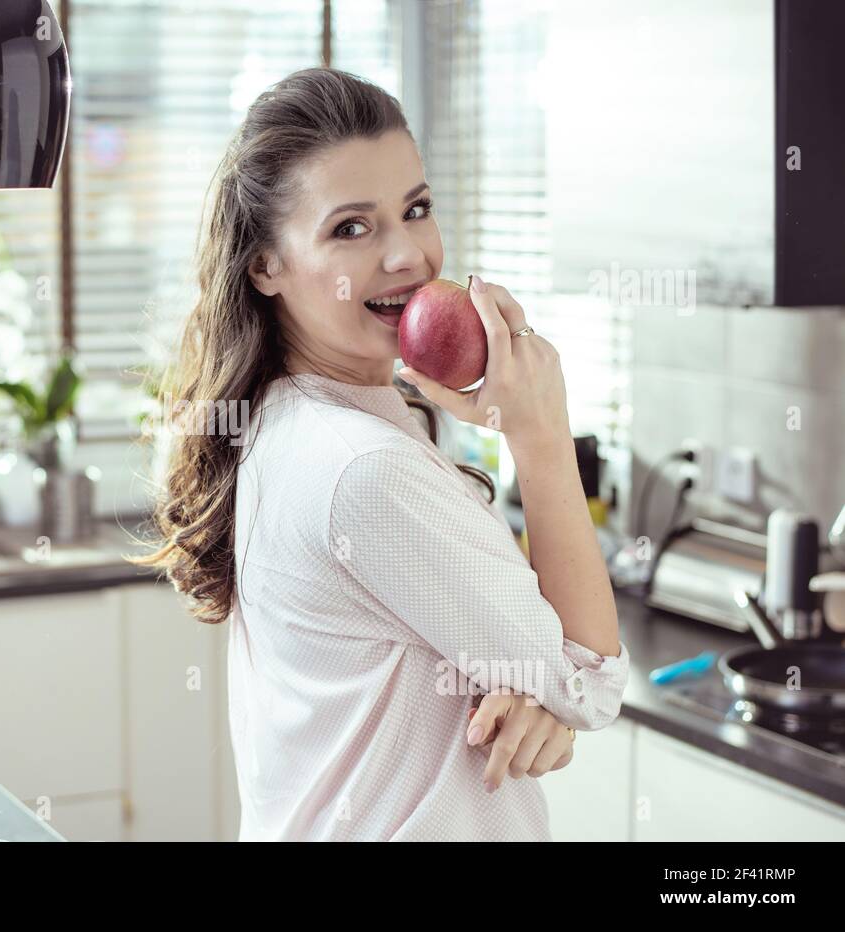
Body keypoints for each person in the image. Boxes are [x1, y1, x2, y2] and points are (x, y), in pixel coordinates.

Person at [128, 67, 629, 841]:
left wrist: (538, 689)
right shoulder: (362, 467)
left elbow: (545, 674)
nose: (407, 256)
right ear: (265, 265)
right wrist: (541, 434)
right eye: (351, 229)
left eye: (416, 209)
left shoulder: (292, 418)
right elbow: (590, 680)